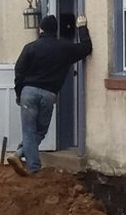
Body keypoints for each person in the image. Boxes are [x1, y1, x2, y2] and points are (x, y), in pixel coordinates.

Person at [7, 14, 91, 176]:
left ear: (41, 29)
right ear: (56, 30)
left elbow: (19, 71)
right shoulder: (64, 48)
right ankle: (19, 156)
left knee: (29, 130)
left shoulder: (30, 48)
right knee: (40, 131)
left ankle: (31, 167)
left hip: (28, 92)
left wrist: (19, 93)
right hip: (49, 94)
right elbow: (86, 48)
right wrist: (82, 28)